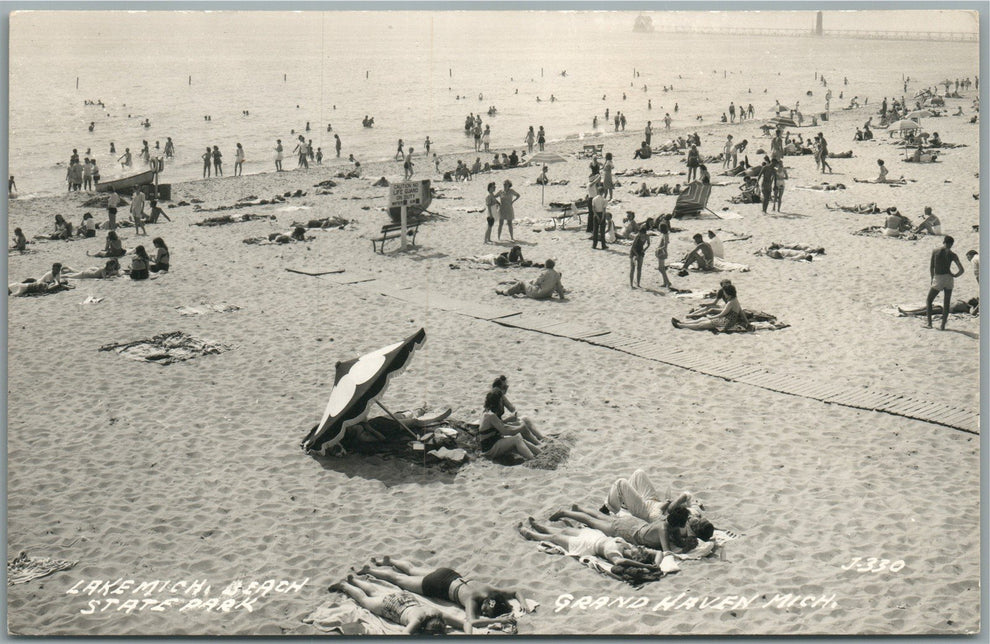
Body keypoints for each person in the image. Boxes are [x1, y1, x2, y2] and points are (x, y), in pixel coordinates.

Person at [362, 556, 526, 635]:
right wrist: (499, 620)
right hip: (438, 585)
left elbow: (516, 591)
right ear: (489, 604)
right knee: (399, 579)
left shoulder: (490, 591)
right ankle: (371, 571)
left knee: (411, 569)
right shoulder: (473, 600)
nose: (483, 613)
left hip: (449, 574)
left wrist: (523, 604)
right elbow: (472, 621)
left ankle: (391, 561)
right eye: (486, 611)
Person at [600, 470, 713, 540]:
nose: (695, 518)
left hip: (646, 512)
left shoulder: (683, 529)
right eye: (699, 518)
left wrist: (665, 506)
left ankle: (609, 508)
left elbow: (655, 519)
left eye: (697, 521)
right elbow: (688, 495)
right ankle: (623, 501)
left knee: (621, 483)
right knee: (639, 474)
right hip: (654, 501)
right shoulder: (695, 514)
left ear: (695, 529)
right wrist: (678, 501)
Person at [330, 574, 456, 635]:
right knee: (364, 600)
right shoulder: (417, 621)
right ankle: (344, 585)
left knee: (374, 591)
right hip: (390, 607)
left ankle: (355, 580)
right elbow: (405, 635)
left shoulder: (437, 614)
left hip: (405, 598)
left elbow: (465, 622)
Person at [517, 518, 663, 569]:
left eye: (641, 551)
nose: (641, 548)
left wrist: (644, 566)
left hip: (586, 545)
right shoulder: (630, 547)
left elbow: (620, 563)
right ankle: (540, 527)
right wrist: (654, 564)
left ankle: (530, 534)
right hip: (594, 536)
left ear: (636, 557)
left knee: (555, 537)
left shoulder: (616, 555)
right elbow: (659, 553)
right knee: (566, 530)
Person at [548, 504, 692, 553]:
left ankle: (578, 508)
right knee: (592, 521)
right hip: (628, 531)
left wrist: (685, 544)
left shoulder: (667, 523)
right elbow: (667, 551)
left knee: (600, 516)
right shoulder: (664, 529)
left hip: (635, 524)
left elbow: (679, 542)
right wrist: (685, 548)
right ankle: (564, 513)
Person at [477, 389, 541, 461]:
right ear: (497, 402)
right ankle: (533, 459)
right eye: (501, 401)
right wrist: (520, 428)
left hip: (493, 443)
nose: (502, 403)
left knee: (519, 438)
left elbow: (498, 424)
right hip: (490, 448)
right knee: (516, 439)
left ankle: (540, 453)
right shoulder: (491, 416)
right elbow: (505, 431)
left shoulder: (487, 412)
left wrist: (510, 420)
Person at [925, 236, 965, 330]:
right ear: (952, 244)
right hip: (949, 278)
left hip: (938, 277)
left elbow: (931, 267)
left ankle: (929, 324)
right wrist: (955, 275)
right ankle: (942, 326)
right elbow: (962, 270)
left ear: (944, 242)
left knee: (929, 300)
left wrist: (932, 279)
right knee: (946, 303)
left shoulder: (935, 251)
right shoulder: (953, 254)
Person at [672, 283, 747, 332]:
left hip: (726, 322)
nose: (724, 294)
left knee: (701, 325)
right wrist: (747, 322)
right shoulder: (735, 299)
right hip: (728, 320)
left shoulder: (730, 303)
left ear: (728, 293)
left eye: (724, 293)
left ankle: (680, 325)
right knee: (702, 319)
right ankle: (682, 322)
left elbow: (722, 314)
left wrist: (712, 317)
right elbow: (741, 311)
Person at [496, 259, 565, 300]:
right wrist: (562, 297)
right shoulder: (556, 274)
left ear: (546, 265)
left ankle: (505, 292)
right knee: (526, 287)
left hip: (538, 294)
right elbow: (559, 288)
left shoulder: (544, 273)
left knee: (522, 283)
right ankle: (518, 290)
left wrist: (530, 283)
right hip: (547, 295)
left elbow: (536, 282)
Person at [655, 221, 672, 288]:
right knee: (661, 268)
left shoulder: (665, 236)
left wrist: (658, 249)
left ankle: (667, 282)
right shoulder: (665, 235)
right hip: (662, 252)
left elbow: (665, 245)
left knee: (661, 268)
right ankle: (665, 282)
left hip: (662, 252)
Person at [591, 186, 608, 250]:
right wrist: (602, 217)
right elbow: (604, 210)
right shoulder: (604, 200)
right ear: (603, 192)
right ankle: (603, 245)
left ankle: (594, 245)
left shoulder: (594, 199)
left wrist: (596, 216)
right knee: (602, 231)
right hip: (601, 213)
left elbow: (593, 209)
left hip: (596, 214)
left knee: (595, 230)